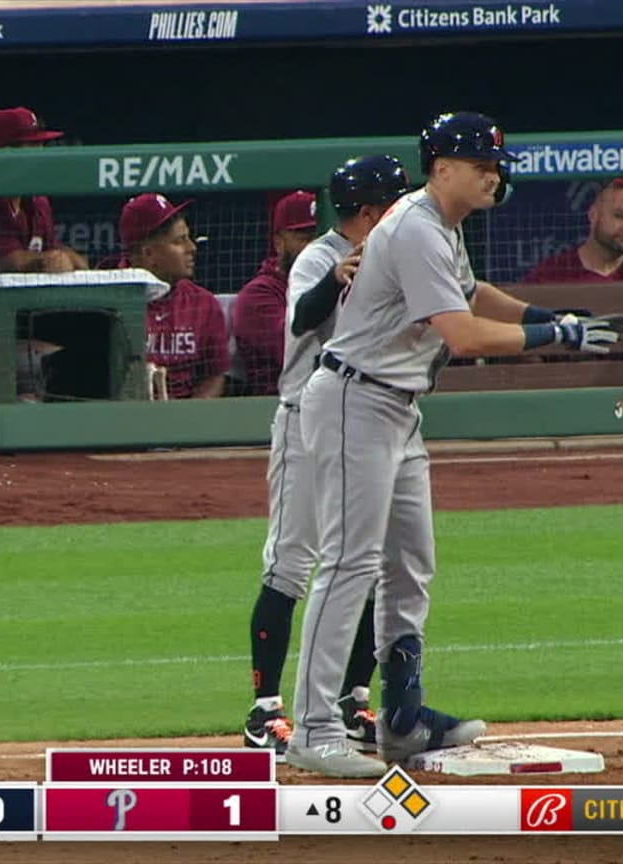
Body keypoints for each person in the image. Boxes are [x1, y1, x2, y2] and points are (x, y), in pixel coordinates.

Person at [287, 112, 623, 778]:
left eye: (496, 166)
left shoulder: (439, 224)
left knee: (410, 564)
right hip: (358, 399)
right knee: (351, 562)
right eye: (482, 166)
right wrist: (554, 338)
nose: (494, 175)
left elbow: (468, 294)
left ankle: (403, 719)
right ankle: (314, 727)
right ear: (443, 168)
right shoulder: (413, 225)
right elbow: (464, 335)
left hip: (396, 406)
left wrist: (542, 316)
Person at [241, 157, 411, 759]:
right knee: (290, 563)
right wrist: (337, 277)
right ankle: (265, 711)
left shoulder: (398, 254)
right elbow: (302, 318)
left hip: (367, 424)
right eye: (391, 202)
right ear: (368, 210)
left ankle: (351, 700)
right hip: (304, 422)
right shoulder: (319, 256)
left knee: (362, 559)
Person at [119, 193, 228, 399]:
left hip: (187, 420)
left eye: (189, 238)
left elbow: (215, 374)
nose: (192, 248)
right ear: (149, 254)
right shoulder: (109, 300)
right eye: (179, 241)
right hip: (123, 419)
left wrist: (188, 421)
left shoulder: (202, 303)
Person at [232, 190, 319, 396]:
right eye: (304, 238)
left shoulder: (340, 280)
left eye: (319, 237)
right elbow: (297, 354)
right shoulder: (259, 295)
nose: (315, 248)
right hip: (276, 405)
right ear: (278, 242)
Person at [0, 106, 88, 273]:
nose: (41, 152)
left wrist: (69, 259)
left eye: (41, 143)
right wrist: (49, 260)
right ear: (5, 153)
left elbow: (52, 250)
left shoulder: (37, 200)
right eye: (33, 143)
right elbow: (9, 262)